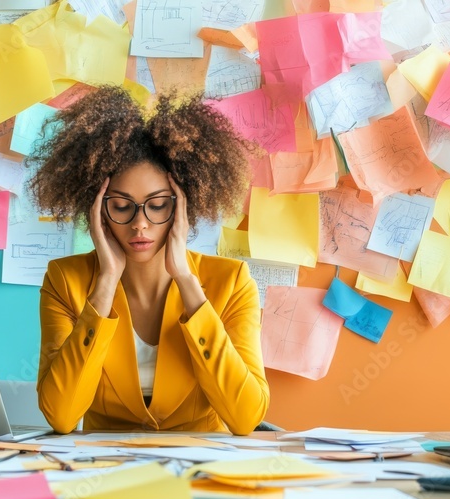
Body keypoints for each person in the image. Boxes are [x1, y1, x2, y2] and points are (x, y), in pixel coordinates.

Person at [27, 86, 269, 435]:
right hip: (105, 469)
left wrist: (187, 282)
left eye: (157, 205)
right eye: (122, 206)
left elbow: (246, 417)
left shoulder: (232, 282)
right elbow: (62, 416)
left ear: (182, 207)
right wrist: (106, 282)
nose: (140, 223)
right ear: (97, 211)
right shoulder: (66, 281)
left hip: (200, 467)